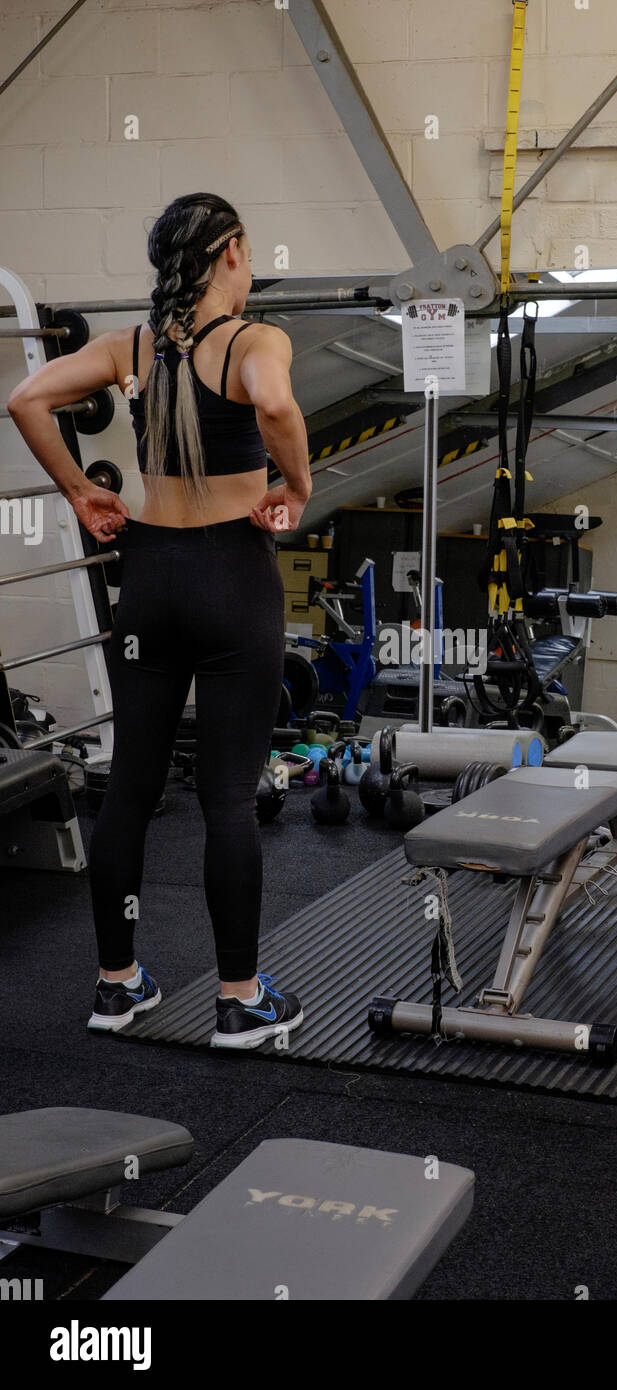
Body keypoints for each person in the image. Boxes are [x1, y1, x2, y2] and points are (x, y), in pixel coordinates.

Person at [8, 193, 312, 1048]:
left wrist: (80, 490)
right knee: (225, 796)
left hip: (150, 579)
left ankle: (116, 986)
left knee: (131, 790)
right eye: (246, 258)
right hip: (231, 579)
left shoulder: (130, 348)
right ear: (231, 254)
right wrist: (297, 486)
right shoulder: (254, 341)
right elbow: (278, 408)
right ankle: (239, 1000)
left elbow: (27, 399)